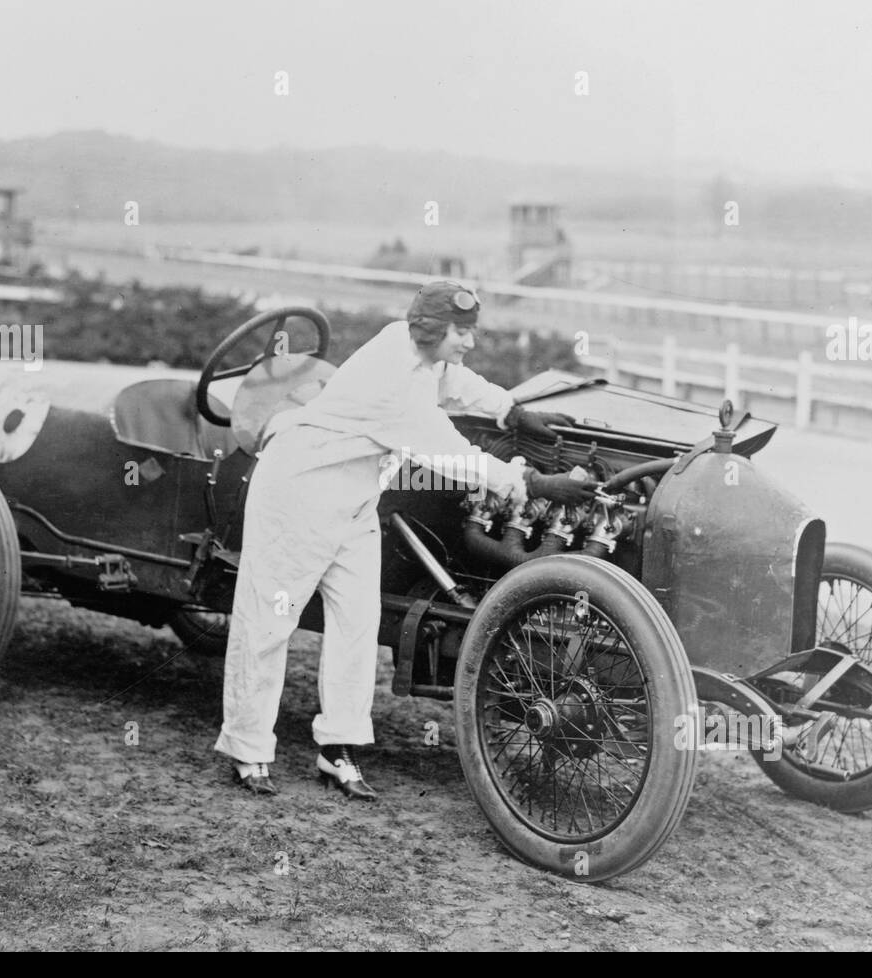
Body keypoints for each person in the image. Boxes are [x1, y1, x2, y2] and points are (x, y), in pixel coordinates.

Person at [213, 281, 597, 799]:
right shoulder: (390, 380)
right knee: (269, 623)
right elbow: (452, 455)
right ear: (434, 330)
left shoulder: (412, 345)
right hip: (297, 495)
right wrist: (533, 484)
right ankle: (247, 749)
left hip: (352, 499)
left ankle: (338, 751)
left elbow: (452, 378)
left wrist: (511, 411)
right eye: (463, 332)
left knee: (357, 624)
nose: (470, 342)